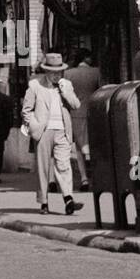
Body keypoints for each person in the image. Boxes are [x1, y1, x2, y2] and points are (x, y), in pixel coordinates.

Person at [22, 53, 82, 216]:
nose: (57, 76)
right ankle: (44, 202)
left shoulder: (66, 84)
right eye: (53, 72)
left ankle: (68, 199)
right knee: (43, 168)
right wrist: (34, 126)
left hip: (62, 130)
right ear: (46, 72)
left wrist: (65, 92)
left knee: (64, 165)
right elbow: (26, 110)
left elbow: (76, 105)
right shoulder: (35, 85)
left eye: (59, 72)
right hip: (44, 131)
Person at [63, 50, 102, 189]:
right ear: (87, 58)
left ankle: (84, 178)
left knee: (79, 148)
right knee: (94, 145)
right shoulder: (96, 72)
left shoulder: (68, 74)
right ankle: (97, 177)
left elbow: (65, 96)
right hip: (93, 112)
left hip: (75, 113)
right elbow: (101, 92)